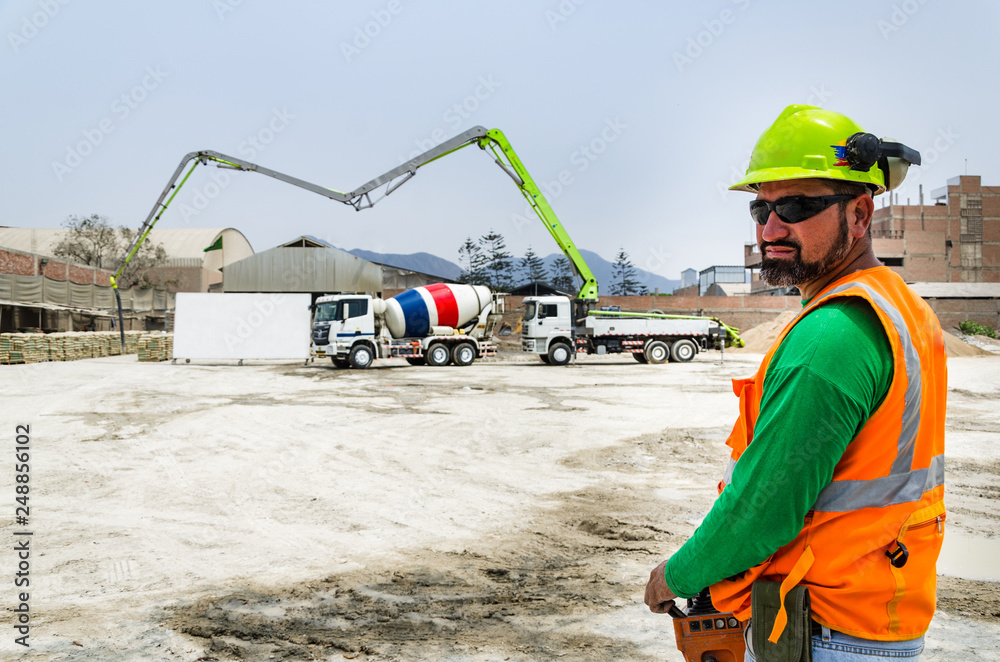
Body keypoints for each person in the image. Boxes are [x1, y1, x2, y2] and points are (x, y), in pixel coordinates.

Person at [643, 105, 946, 661]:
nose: (771, 228)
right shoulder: (899, 306)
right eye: (762, 208)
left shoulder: (831, 337)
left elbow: (761, 510)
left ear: (859, 213)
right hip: (872, 617)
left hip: (825, 633)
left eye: (797, 206)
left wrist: (675, 576)